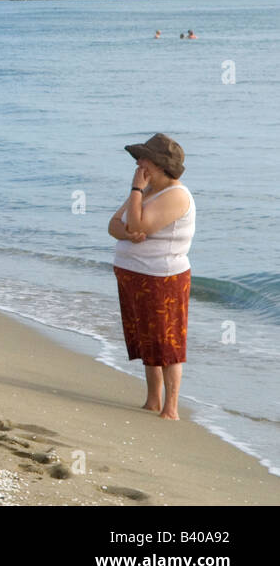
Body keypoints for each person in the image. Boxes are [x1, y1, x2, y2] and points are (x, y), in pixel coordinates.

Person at [108, 134, 195, 420]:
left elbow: (136, 222)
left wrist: (135, 189)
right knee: (148, 339)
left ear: (157, 164)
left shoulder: (176, 195)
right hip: (135, 275)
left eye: (142, 158)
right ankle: (152, 400)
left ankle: (171, 408)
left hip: (162, 278)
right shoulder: (147, 192)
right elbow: (113, 225)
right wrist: (131, 230)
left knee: (167, 342)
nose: (137, 162)